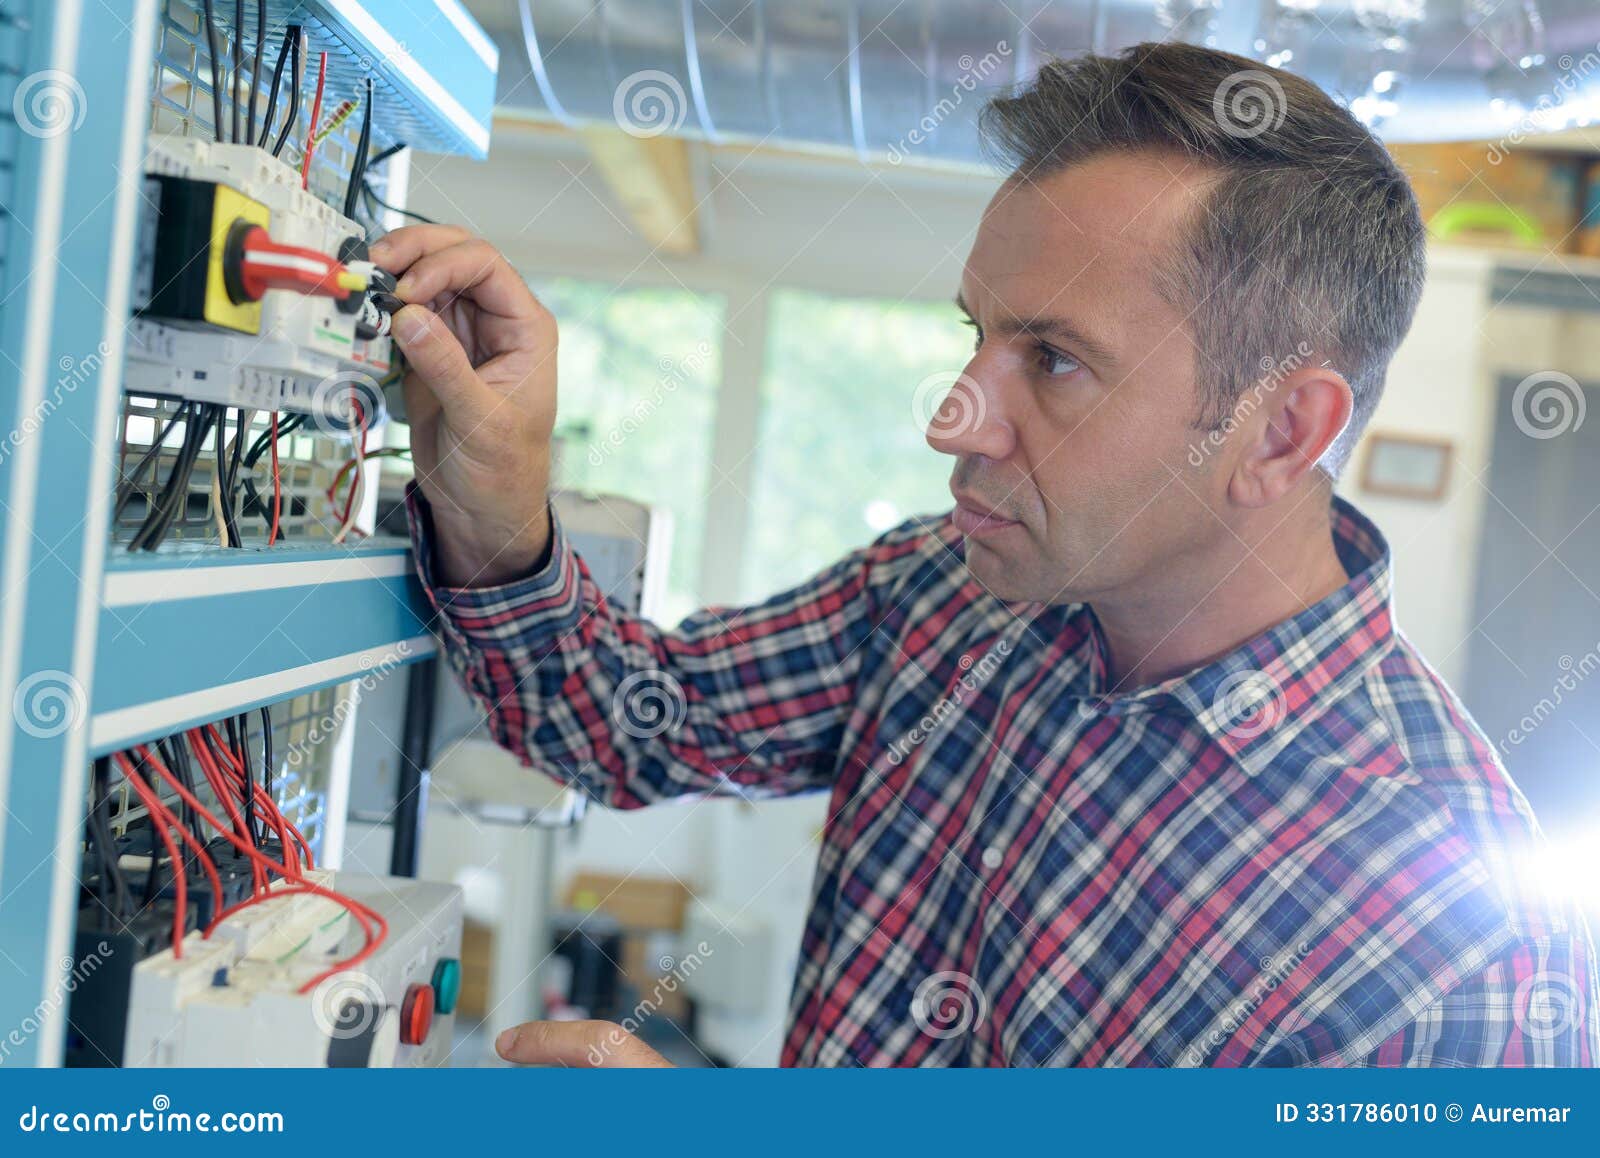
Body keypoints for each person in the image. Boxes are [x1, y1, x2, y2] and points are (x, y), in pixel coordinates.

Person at [368, 41, 1597, 1067]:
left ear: (1280, 428)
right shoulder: (948, 593)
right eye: (978, 338)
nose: (951, 418)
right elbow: (626, 722)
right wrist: (496, 500)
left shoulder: (1454, 955)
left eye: (1053, 360)